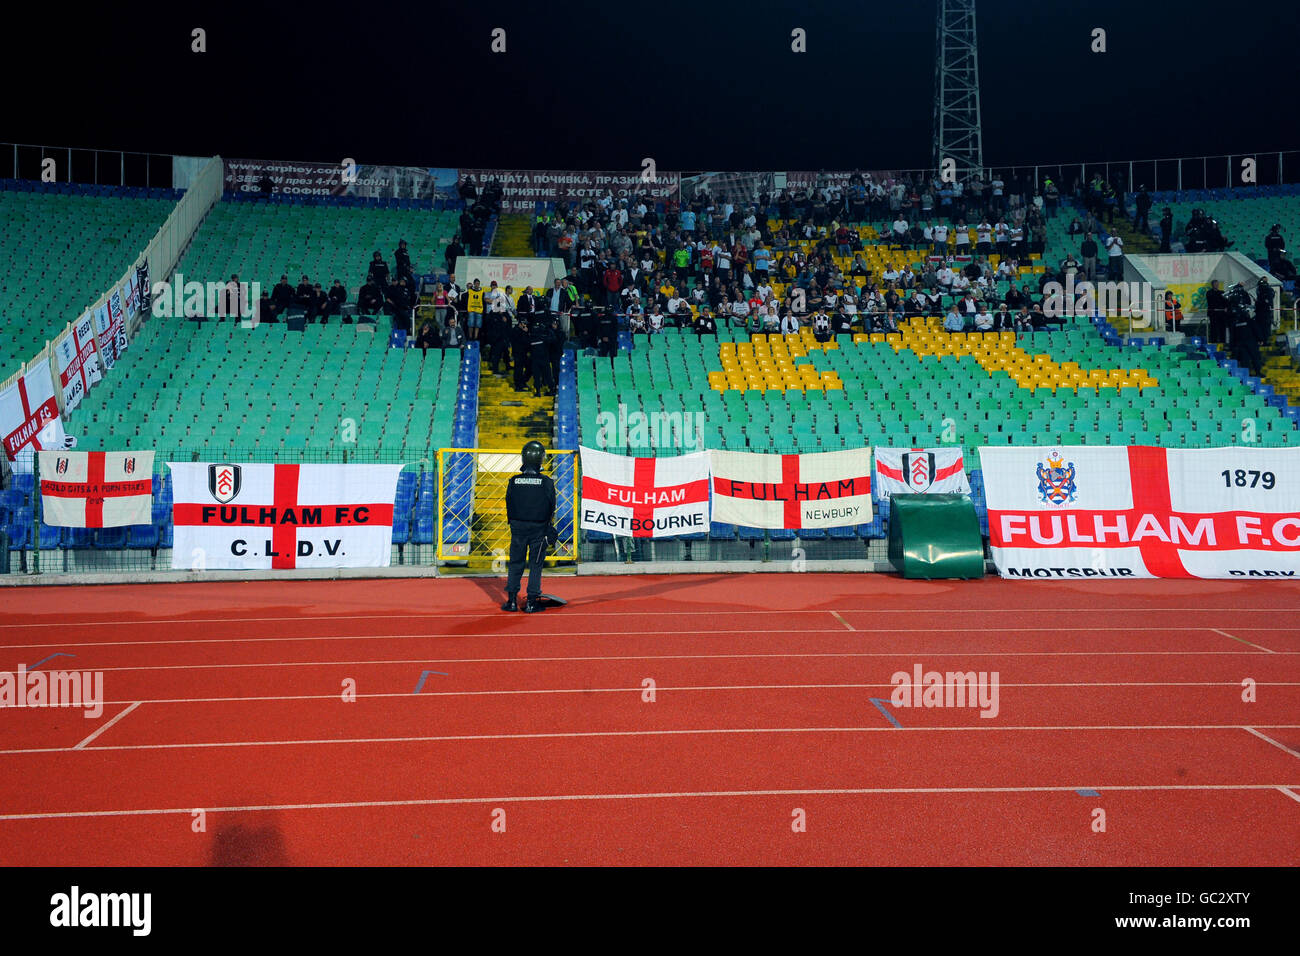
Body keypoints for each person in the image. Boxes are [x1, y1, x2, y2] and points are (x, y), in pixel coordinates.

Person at [501, 441, 558, 614]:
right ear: (541, 459)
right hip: (539, 529)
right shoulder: (546, 482)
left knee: (515, 563)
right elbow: (551, 506)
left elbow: (509, 503)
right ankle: (532, 602)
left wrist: (515, 523)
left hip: (518, 528)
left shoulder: (514, 481)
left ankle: (511, 601)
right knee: (535, 565)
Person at [1206, 279, 1229, 344]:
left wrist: (1226, 308)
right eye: (1215, 284)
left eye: (1217, 284)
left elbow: (1226, 302)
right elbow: (1211, 301)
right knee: (1214, 328)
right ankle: (1214, 341)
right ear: (1212, 285)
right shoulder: (1209, 292)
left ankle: (1223, 342)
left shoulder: (1222, 292)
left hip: (1221, 314)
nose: (1217, 285)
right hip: (1213, 313)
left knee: (1222, 328)